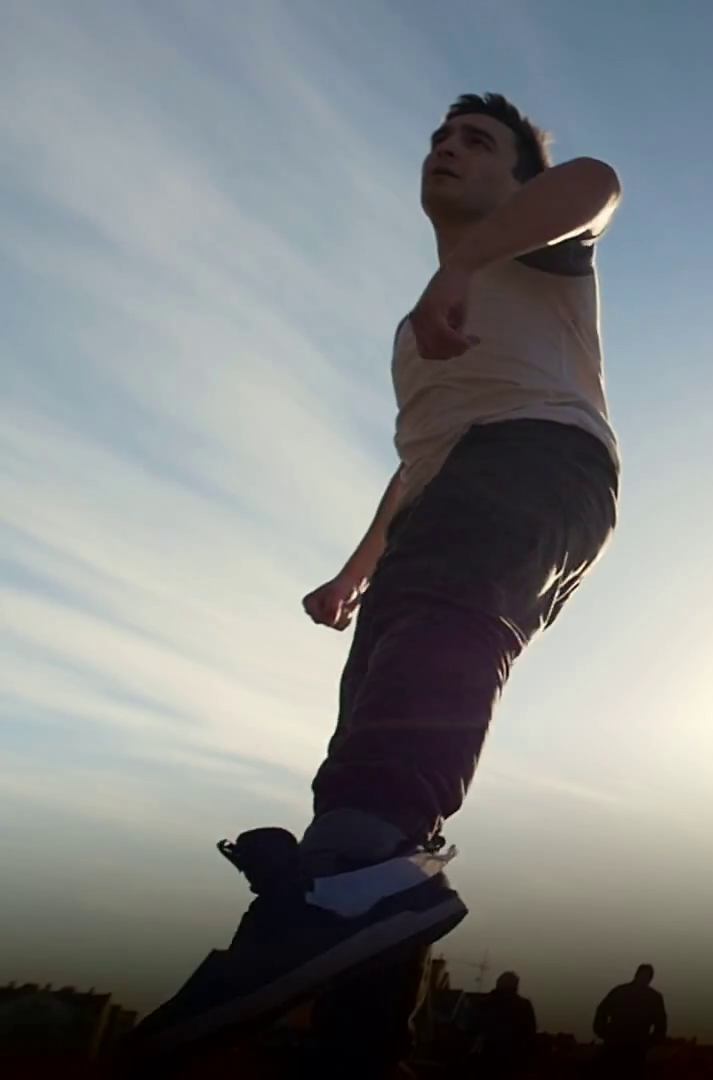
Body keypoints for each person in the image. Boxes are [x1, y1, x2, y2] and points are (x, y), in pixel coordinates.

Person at [118, 92, 624, 1072]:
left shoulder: (528, 248)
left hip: (535, 465)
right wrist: (356, 568)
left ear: (516, 180)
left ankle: (347, 879)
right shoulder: (420, 322)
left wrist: (474, 260)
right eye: (439, 139)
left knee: (404, 713)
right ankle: (358, 1022)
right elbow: (421, 460)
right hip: (456, 502)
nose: (447, 149)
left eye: (476, 143)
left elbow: (595, 186)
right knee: (373, 755)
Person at [593, 964, 668, 1075]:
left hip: (629, 1049)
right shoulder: (652, 997)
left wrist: (647, 1043)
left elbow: (661, 1026)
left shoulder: (621, 992)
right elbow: (601, 1013)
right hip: (620, 1049)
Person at [471, 971, 540, 1077]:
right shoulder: (523, 1005)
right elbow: (530, 1031)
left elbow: (473, 1028)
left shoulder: (485, 1004)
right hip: (513, 1058)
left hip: (489, 1057)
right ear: (515, 986)